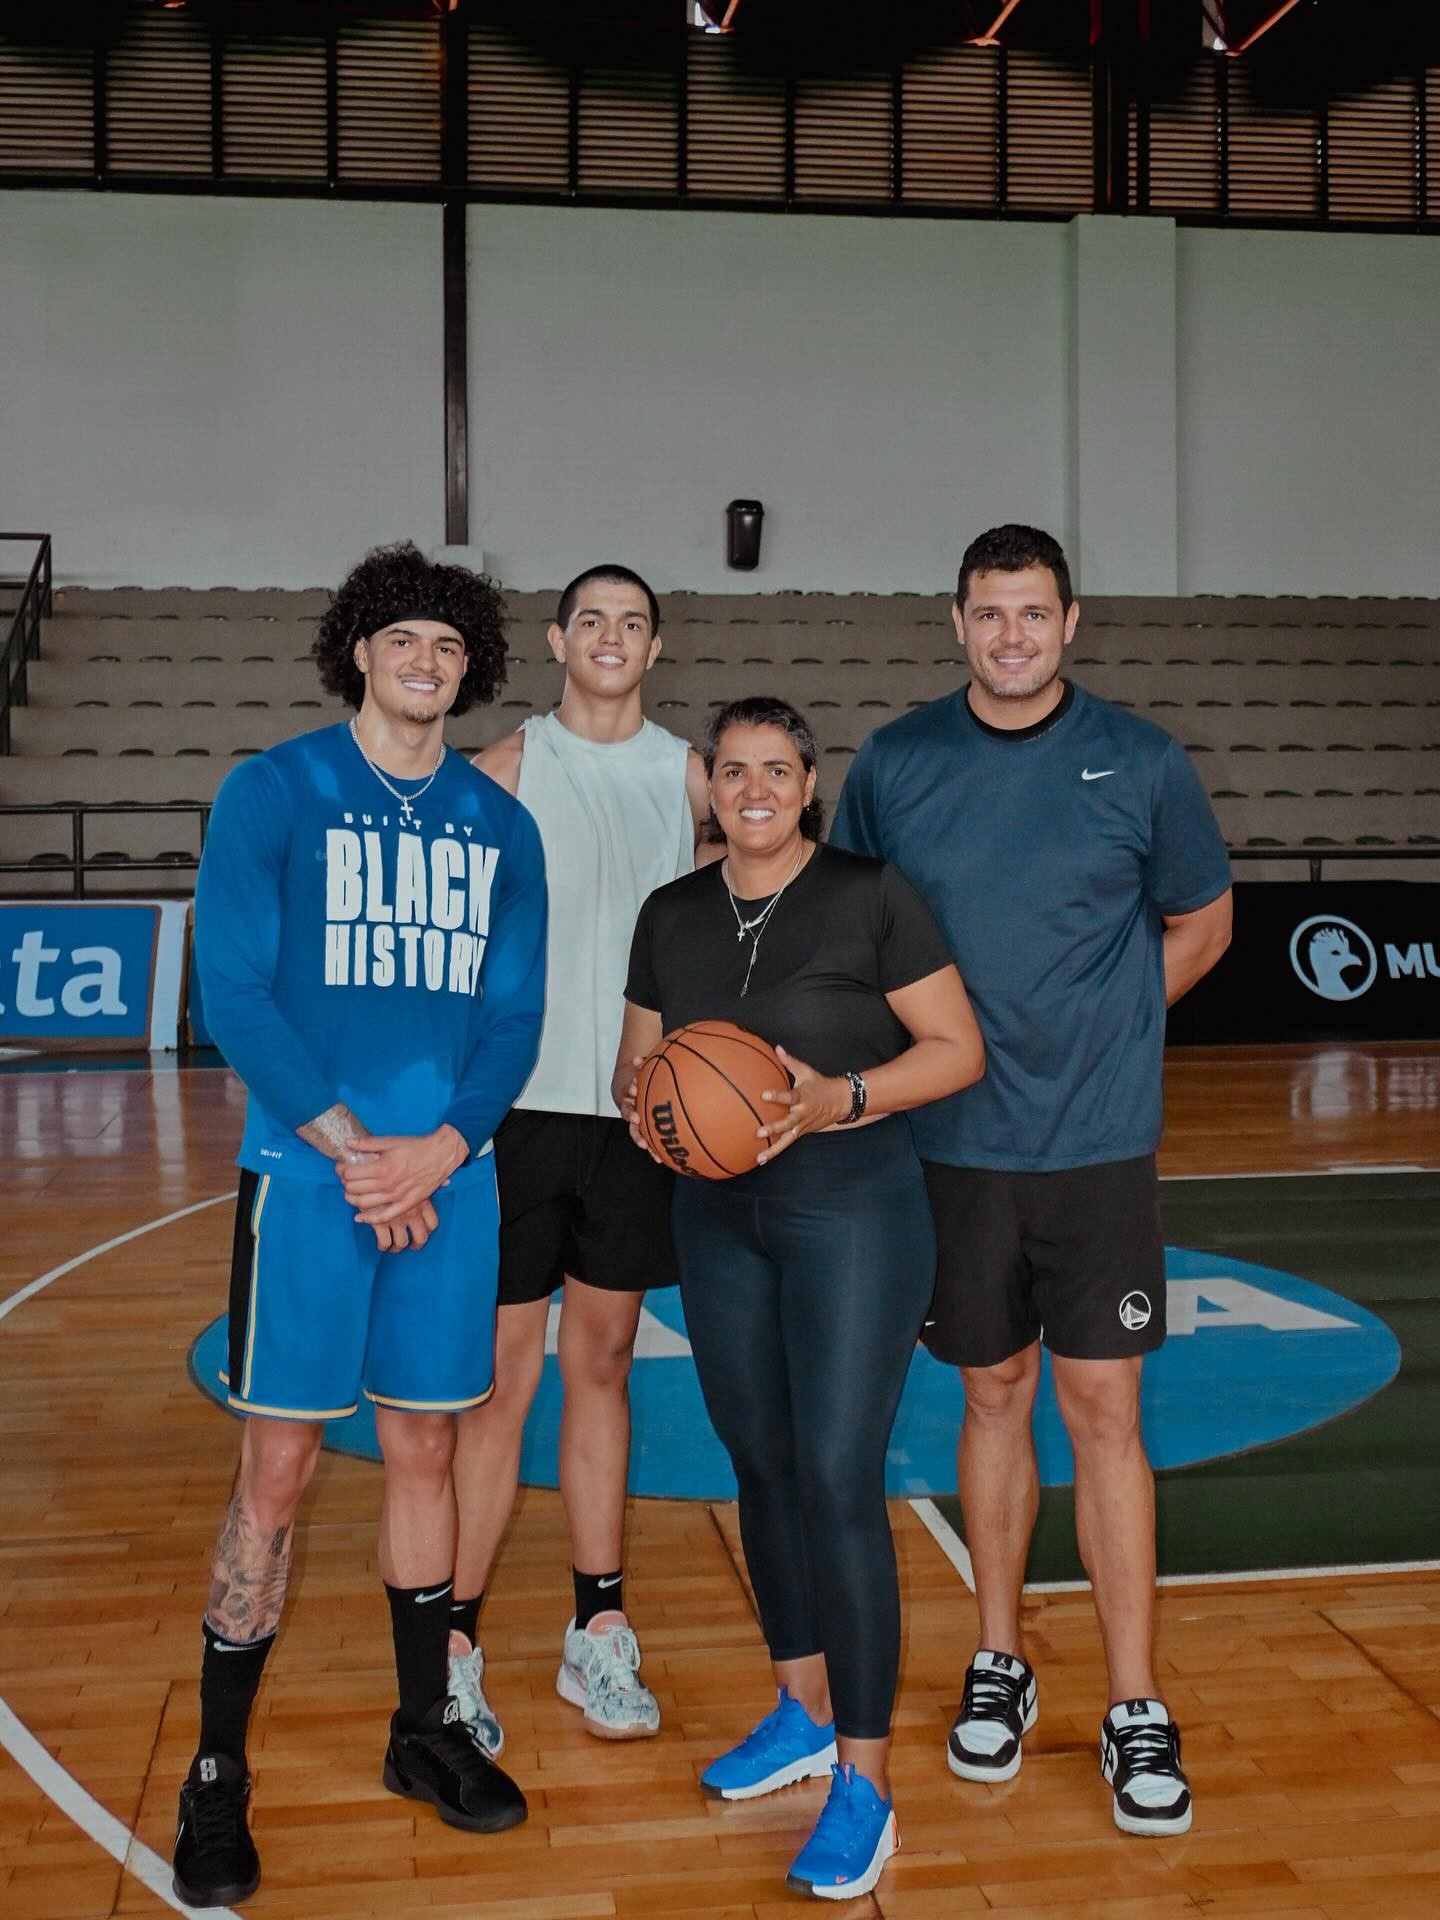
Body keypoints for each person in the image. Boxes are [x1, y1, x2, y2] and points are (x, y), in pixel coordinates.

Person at [831, 523, 1233, 1839]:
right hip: (953, 1145)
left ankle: (1133, 1701)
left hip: (1097, 1145)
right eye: (990, 612)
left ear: (1072, 623)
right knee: (993, 1394)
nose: (1012, 634)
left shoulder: (1144, 760)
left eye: (1034, 611)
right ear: (958, 623)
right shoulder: (897, 762)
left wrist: (1115, 1025)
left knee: (1106, 1411)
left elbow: (1203, 920)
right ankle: (998, 1658)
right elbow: (855, 928)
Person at [173, 543, 547, 1908]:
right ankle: (217, 1771)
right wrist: (354, 1152)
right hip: (310, 1182)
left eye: (447, 646)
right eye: (402, 641)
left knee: (426, 1445)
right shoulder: (274, 791)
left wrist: (436, 1153)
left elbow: (514, 1016)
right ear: (358, 654)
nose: (425, 662)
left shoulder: (501, 827)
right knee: (278, 1466)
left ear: (470, 667)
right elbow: (233, 992)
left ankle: (422, 1730)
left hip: (449, 1183)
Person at [615, 696, 985, 1901]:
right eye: (733, 771)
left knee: (836, 1476)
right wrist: (652, 1111)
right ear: (709, 788)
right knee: (762, 1464)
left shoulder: (870, 893)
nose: (755, 790)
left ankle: (864, 1785)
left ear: (809, 783)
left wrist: (842, 1099)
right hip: (719, 1219)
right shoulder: (671, 912)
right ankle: (803, 1712)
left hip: (854, 1212)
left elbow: (957, 1049)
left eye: (777, 769)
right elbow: (636, 1067)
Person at [449, 564, 710, 1749]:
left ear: (656, 648)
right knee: (502, 1380)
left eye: (632, 623)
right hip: (515, 1115)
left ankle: (596, 1629)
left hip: (636, 1116)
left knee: (600, 1365)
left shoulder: (693, 777)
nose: (611, 637)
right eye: (591, 620)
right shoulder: (504, 768)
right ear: (558, 640)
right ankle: (454, 1642)